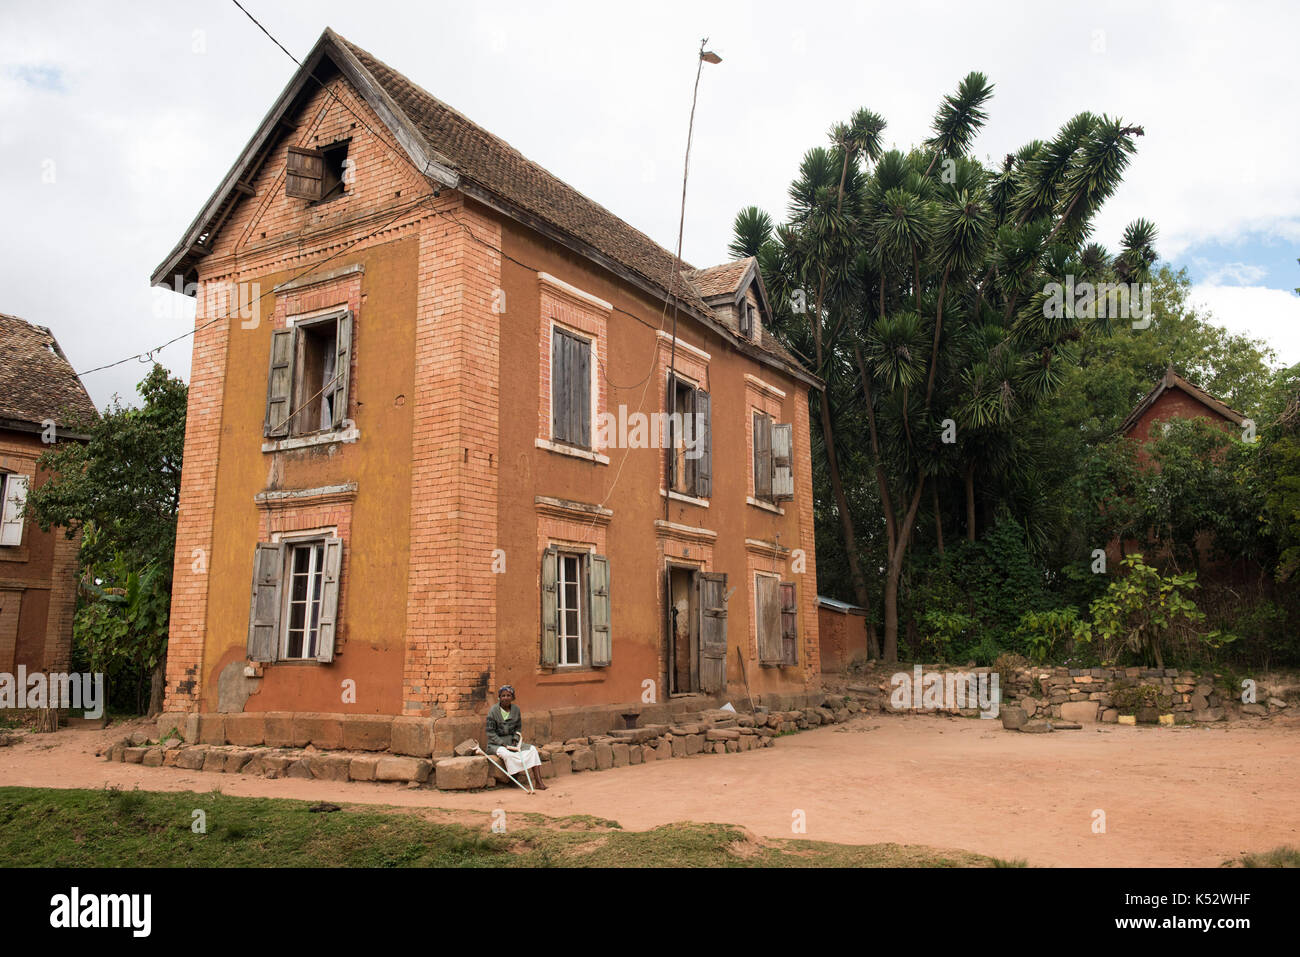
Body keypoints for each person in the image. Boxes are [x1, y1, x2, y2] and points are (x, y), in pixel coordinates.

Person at [482, 685, 546, 791]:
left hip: (512, 742)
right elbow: (490, 733)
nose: (506, 698)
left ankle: (538, 782)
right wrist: (502, 744)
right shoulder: (493, 711)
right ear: (499, 698)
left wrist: (516, 739)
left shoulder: (516, 709)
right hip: (496, 744)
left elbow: (518, 728)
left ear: (513, 697)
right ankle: (513, 779)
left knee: (532, 750)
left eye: (508, 695)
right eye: (503, 696)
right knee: (508, 754)